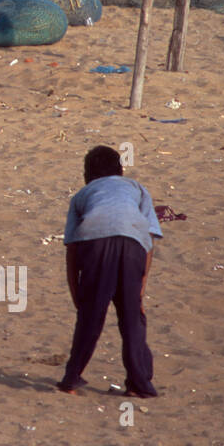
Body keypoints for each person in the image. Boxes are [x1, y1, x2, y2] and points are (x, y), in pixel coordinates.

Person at [57, 146, 163, 397]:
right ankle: (139, 385)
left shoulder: (82, 194)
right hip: (133, 244)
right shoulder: (137, 189)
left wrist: (77, 295)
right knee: (132, 319)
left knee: (90, 318)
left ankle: (71, 380)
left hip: (94, 243)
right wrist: (141, 290)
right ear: (121, 170)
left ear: (87, 174)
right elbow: (149, 240)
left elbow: (72, 250)